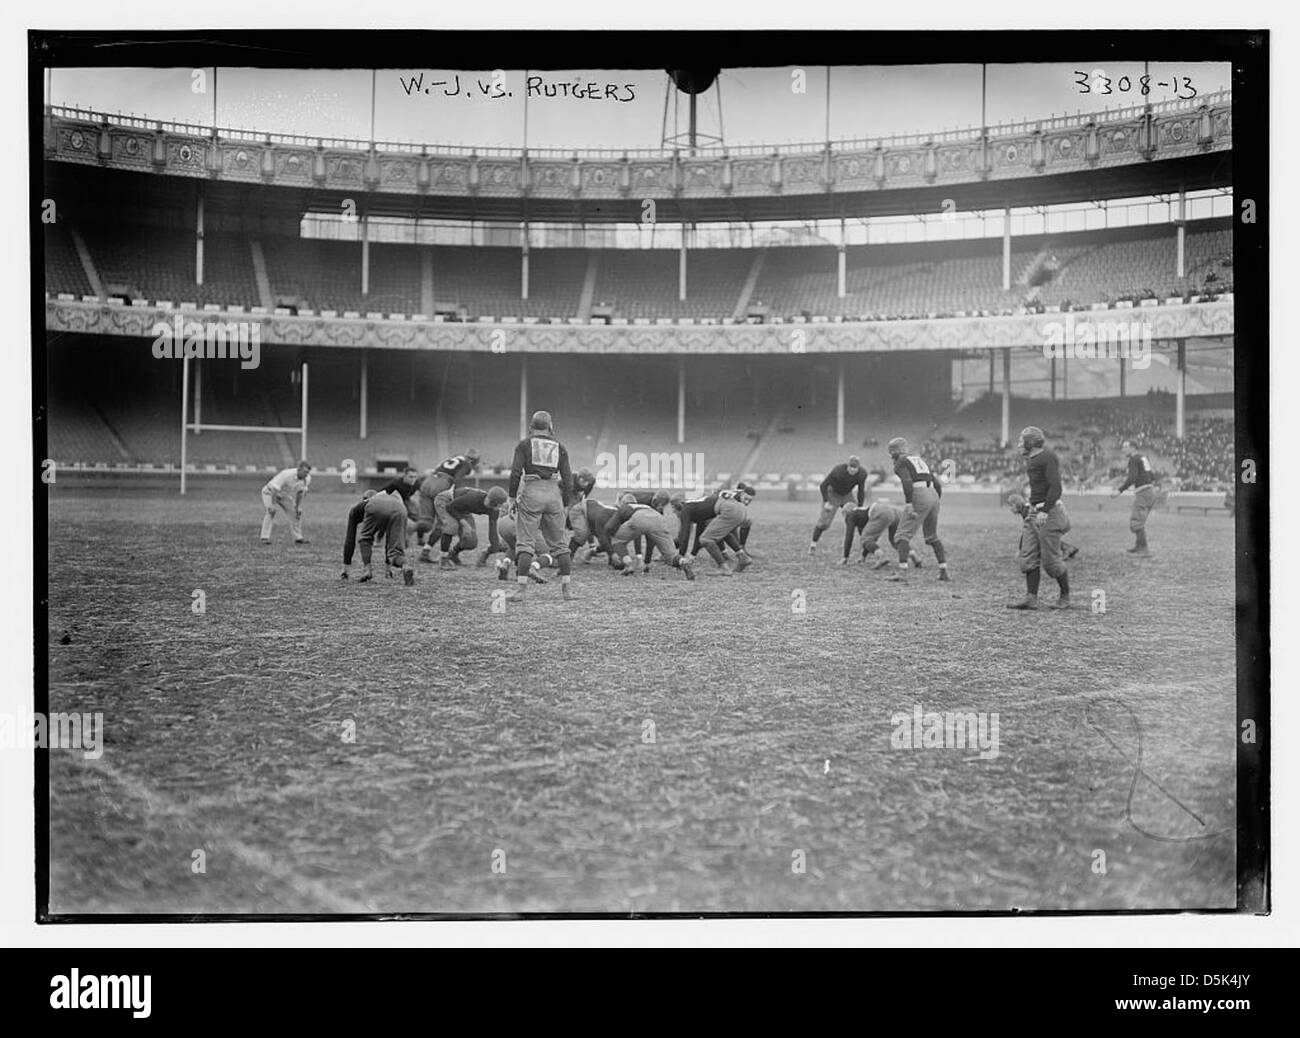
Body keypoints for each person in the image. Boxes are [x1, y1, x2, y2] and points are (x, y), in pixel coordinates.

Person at [506, 411, 575, 602]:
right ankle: (567, 590)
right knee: (560, 544)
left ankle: (521, 590)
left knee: (526, 542)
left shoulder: (524, 444)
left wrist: (512, 497)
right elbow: (569, 480)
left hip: (532, 491)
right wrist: (565, 504)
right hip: (553, 494)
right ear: (550, 426)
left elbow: (515, 473)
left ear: (531, 426)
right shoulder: (560, 446)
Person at [1007, 426, 1071, 610]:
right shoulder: (1033, 459)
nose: (1019, 444)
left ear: (1031, 442)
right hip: (1034, 511)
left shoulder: (1047, 457)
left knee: (1051, 562)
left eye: (1022, 440)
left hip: (1048, 513)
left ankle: (1065, 595)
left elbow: (1056, 487)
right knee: (1027, 555)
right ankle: (1031, 597)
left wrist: (1045, 510)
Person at [884, 438, 950, 583]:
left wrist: (908, 503)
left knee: (901, 535)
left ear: (894, 452)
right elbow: (936, 481)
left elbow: (907, 481)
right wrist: (935, 500)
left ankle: (902, 573)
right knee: (932, 536)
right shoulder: (918, 459)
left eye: (891, 453)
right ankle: (943, 571)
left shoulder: (901, 463)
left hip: (920, 494)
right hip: (933, 493)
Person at [602, 491, 695, 579]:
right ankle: (682, 562)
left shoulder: (625, 507)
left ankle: (629, 564)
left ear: (623, 503)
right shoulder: (646, 506)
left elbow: (608, 528)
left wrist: (610, 548)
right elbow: (650, 539)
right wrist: (647, 561)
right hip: (658, 519)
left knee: (617, 541)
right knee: (671, 554)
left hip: (638, 518)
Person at [415, 449, 481, 560]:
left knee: (426, 521)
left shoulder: (453, 458)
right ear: (474, 460)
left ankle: (419, 538)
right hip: (441, 485)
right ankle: (427, 552)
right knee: (444, 523)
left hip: (428, 482)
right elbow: (457, 480)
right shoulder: (467, 464)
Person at [355, 485, 416, 586]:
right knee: (396, 552)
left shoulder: (369, 504)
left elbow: (355, 533)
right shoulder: (392, 498)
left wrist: (345, 568)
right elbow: (389, 540)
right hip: (401, 510)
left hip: (386, 509)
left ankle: (367, 570)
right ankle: (405, 566)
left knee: (365, 538)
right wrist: (388, 568)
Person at [809, 455, 869, 554]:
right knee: (824, 522)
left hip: (847, 495)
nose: (852, 470)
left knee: (859, 517)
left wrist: (860, 506)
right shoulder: (838, 471)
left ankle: (866, 546)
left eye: (855, 468)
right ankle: (813, 544)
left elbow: (861, 490)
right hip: (833, 494)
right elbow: (823, 485)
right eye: (851, 467)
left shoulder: (862, 474)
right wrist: (826, 501)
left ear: (858, 468)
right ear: (847, 466)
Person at [436, 486, 507, 569]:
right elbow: (450, 507)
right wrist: (465, 524)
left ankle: (453, 554)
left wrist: (494, 548)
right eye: (500, 504)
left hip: (462, 509)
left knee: (470, 542)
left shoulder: (494, 510)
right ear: (493, 502)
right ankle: (443, 559)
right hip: (446, 501)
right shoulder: (473, 498)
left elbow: (493, 532)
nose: (501, 506)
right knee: (452, 527)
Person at [699, 483, 756, 575]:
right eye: (746, 499)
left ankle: (724, 567)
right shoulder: (734, 496)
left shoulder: (733, 496)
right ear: (743, 493)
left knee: (706, 539)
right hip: (729, 511)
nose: (747, 502)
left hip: (725, 510)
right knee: (722, 532)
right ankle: (741, 556)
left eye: (749, 500)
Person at [1112, 439, 1156, 556]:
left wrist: (1119, 490)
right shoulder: (1143, 457)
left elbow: (1131, 478)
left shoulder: (1134, 459)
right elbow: (1151, 475)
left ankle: (1144, 548)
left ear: (1133, 448)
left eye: (1125, 447)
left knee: (1136, 521)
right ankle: (1139, 546)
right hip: (1149, 491)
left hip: (1143, 492)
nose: (1123, 449)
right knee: (1139, 519)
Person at [840, 499, 907, 566]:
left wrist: (845, 556)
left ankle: (881, 556)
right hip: (891, 511)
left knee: (865, 539)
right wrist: (863, 556)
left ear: (846, 512)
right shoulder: (861, 515)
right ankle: (914, 557)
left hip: (879, 511)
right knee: (894, 539)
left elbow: (849, 535)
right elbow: (868, 540)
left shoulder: (850, 515)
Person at [260, 461, 312, 544]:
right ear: (299, 470)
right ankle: (264, 537)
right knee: (271, 512)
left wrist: (297, 507)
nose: (306, 474)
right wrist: (272, 505)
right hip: (269, 492)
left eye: (308, 472)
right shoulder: (286, 474)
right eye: (305, 472)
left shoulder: (307, 478)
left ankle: (298, 538)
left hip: (283, 495)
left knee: (296, 513)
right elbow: (274, 489)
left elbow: (300, 493)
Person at [340, 489, 378, 579]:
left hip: (360, 512)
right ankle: (388, 569)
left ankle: (346, 570)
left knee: (361, 539)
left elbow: (350, 539)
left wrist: (345, 569)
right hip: (382, 511)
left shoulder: (356, 509)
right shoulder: (381, 506)